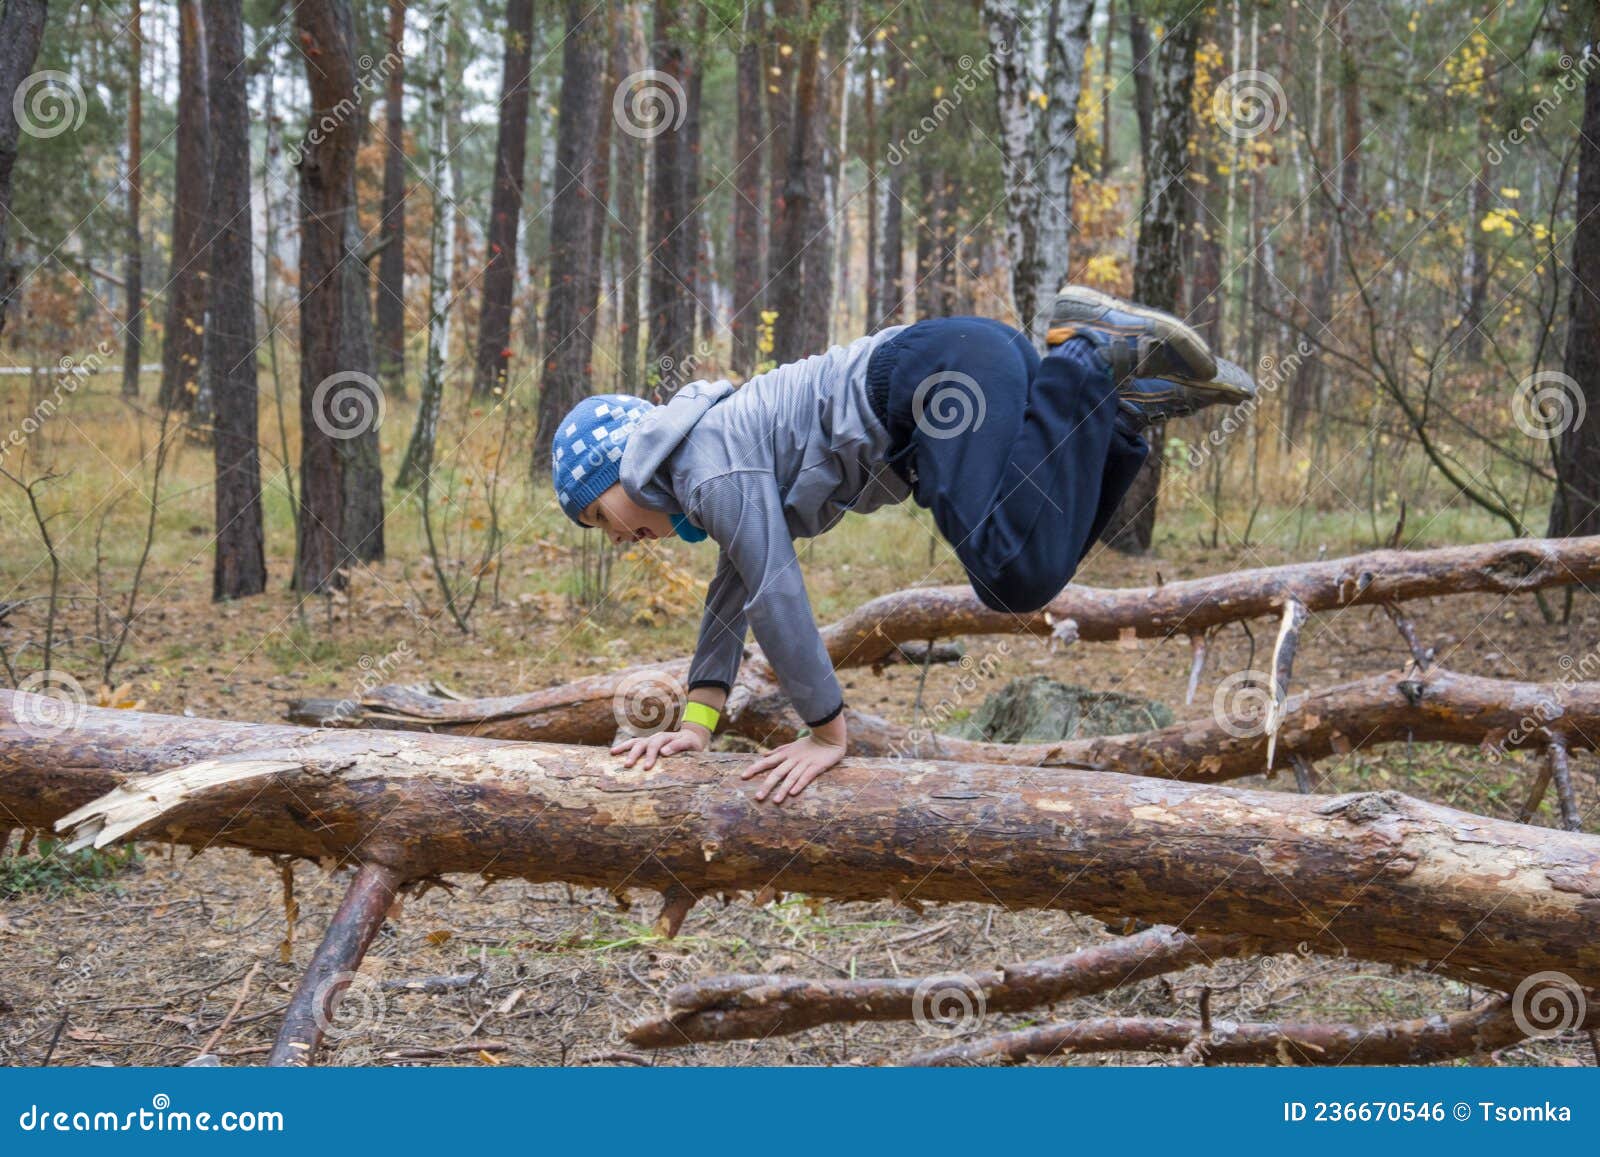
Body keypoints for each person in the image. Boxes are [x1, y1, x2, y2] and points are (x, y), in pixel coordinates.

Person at [549, 286, 1255, 804]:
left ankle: (1083, 358)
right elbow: (733, 589)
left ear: (617, 461)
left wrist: (826, 729)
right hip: (963, 365)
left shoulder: (705, 463)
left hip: (934, 380)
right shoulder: (704, 467)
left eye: (598, 514)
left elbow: (771, 587)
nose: (614, 536)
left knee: (1008, 570)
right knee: (1036, 560)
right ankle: (1117, 409)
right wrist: (697, 723)